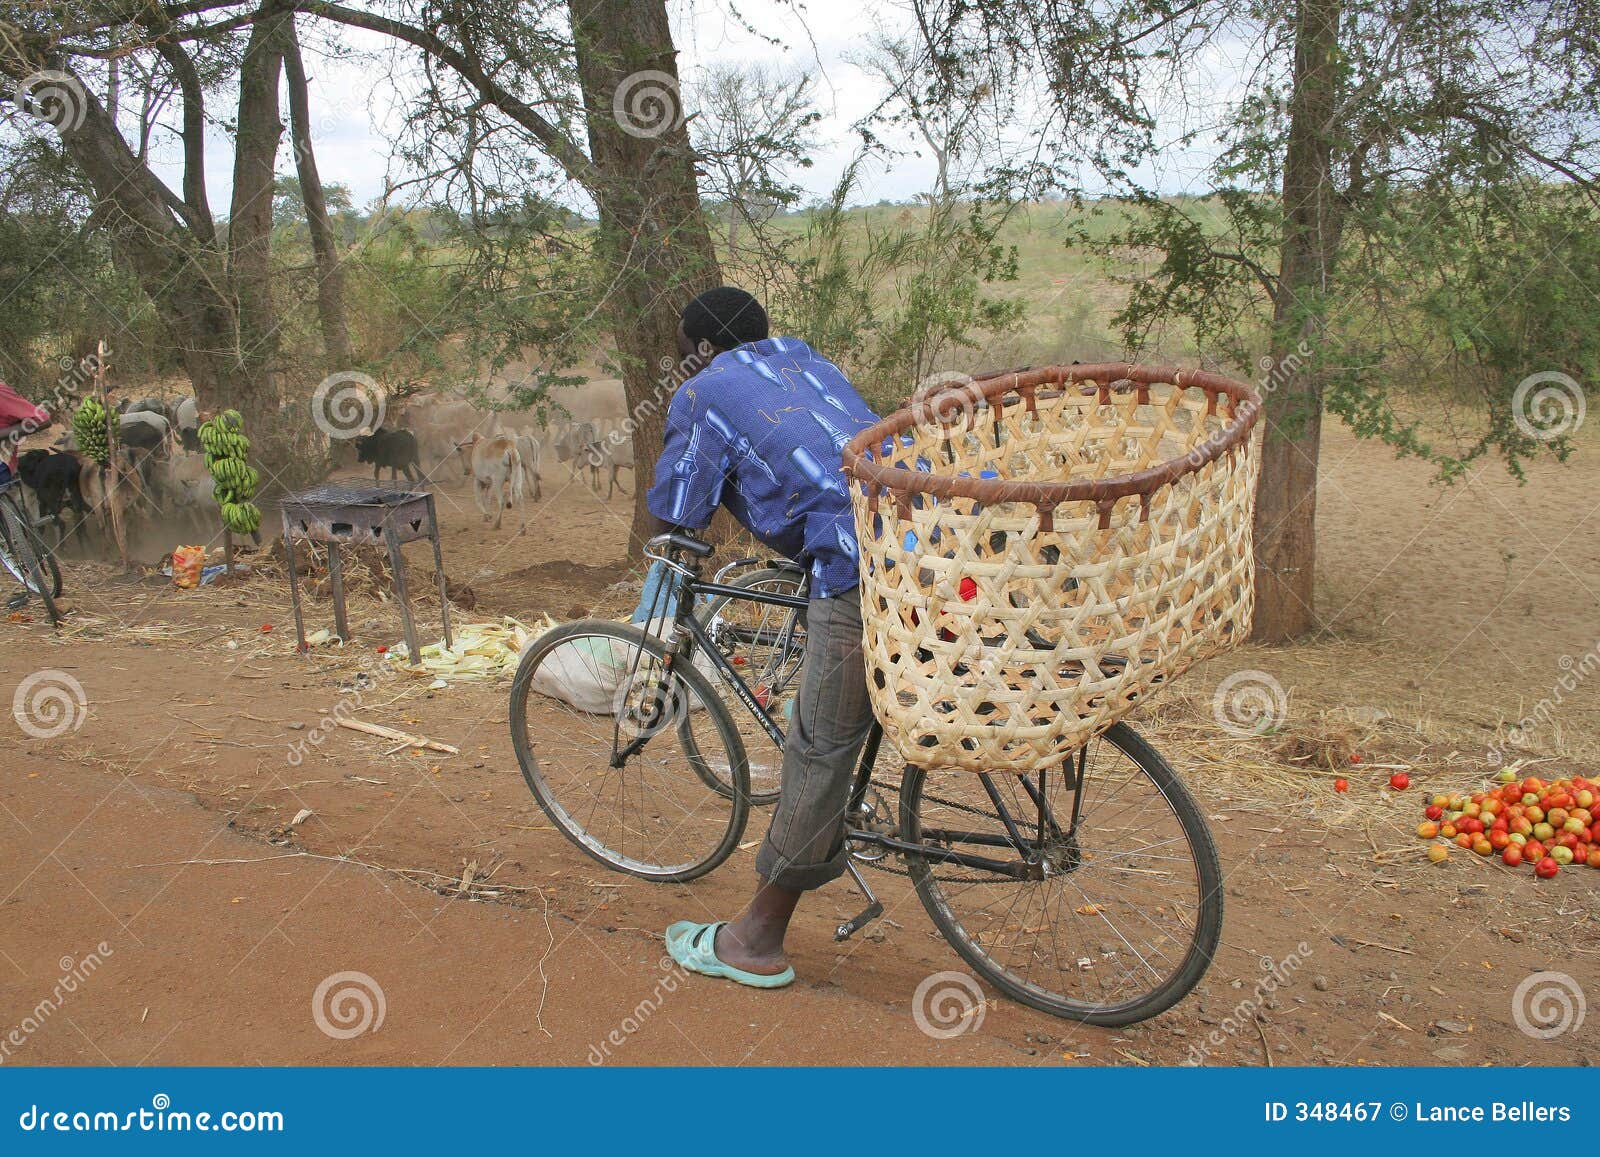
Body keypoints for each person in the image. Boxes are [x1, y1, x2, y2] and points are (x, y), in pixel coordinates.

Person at [640, 286, 880, 988]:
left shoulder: (703, 391)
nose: (686, 368)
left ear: (701, 350)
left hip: (862, 561)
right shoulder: (806, 360)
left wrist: (676, 540)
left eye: (687, 356)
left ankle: (756, 937)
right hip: (919, 530)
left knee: (820, 744)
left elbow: (681, 505)